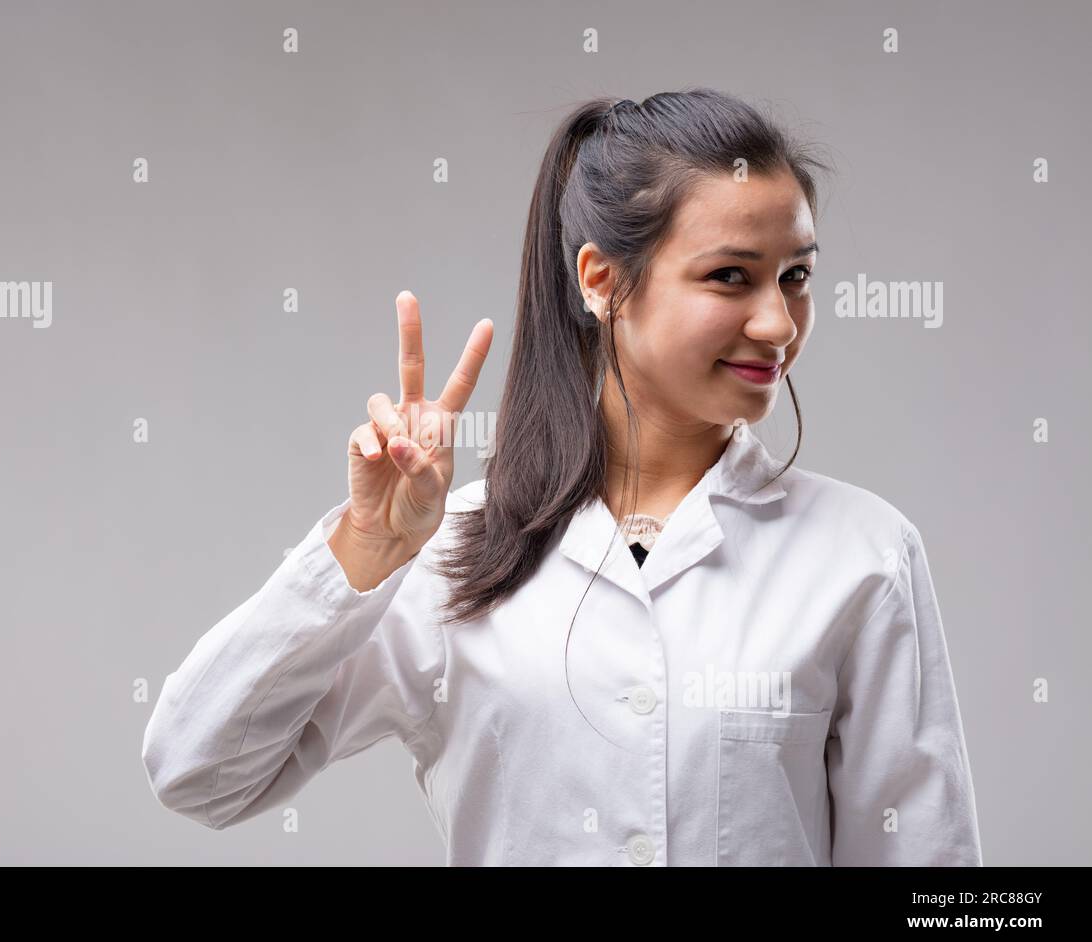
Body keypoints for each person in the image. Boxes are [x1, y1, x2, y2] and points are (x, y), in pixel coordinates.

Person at [141, 88, 982, 866]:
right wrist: (364, 548)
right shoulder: (452, 556)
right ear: (601, 279)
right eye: (731, 276)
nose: (777, 323)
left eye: (795, 276)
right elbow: (197, 769)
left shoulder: (863, 554)